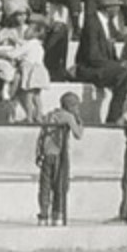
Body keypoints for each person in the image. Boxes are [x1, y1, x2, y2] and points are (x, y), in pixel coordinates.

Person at [37, 90, 83, 226]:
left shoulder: (50, 115)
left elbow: (40, 136)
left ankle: (43, 215)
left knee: (45, 186)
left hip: (46, 153)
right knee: (60, 185)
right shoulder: (68, 117)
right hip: (59, 154)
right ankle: (57, 214)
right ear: (70, 106)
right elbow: (78, 134)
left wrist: (38, 153)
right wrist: (79, 120)